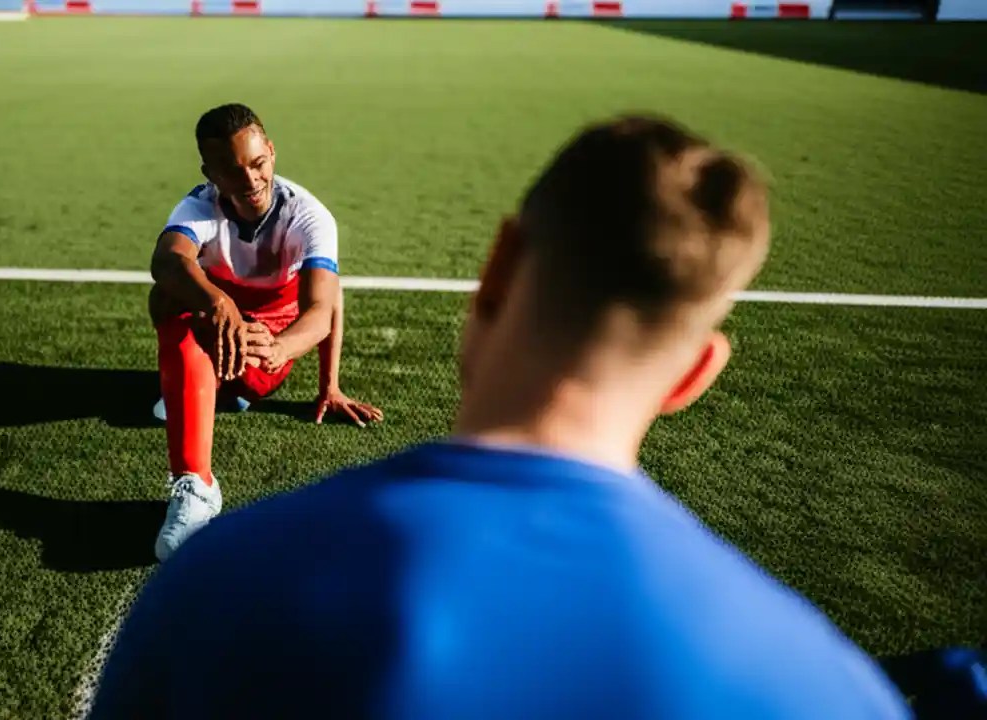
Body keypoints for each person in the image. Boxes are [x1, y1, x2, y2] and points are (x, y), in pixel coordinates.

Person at [89, 115, 909, 718]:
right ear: (694, 375)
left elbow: (314, 309)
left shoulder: (219, 584)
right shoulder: (825, 684)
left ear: (495, 268)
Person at [149, 103, 382, 561]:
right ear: (210, 172)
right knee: (167, 296)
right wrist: (220, 302)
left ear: (271, 152)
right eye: (232, 172)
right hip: (222, 324)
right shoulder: (199, 205)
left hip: (267, 345)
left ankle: (203, 387)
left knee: (211, 332)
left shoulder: (309, 215)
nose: (251, 180)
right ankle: (197, 485)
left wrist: (307, 368)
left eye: (258, 164)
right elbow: (166, 261)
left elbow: (323, 306)